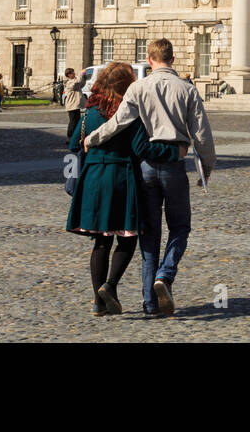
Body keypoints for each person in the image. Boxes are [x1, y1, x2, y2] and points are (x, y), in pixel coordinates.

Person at [84, 38, 215, 318]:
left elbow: (117, 123)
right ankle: (164, 276)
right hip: (174, 166)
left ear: (150, 59)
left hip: (146, 167)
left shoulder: (138, 87)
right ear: (173, 59)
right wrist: (207, 167)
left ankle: (149, 303)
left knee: (149, 234)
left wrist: (92, 138)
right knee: (180, 227)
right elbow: (202, 135)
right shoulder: (187, 90)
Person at [68, 62, 185, 316]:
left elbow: (74, 144)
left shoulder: (88, 114)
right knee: (127, 238)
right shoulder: (128, 114)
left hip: (93, 178)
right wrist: (175, 151)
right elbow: (144, 149)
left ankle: (99, 303)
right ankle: (109, 286)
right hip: (121, 178)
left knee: (100, 241)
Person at [62, 67, 83, 139]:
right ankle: (69, 137)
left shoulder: (74, 80)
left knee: (77, 121)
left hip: (76, 104)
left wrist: (84, 77)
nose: (74, 73)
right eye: (72, 72)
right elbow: (77, 83)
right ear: (69, 75)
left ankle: (75, 136)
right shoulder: (69, 82)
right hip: (71, 105)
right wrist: (81, 74)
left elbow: (81, 84)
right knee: (73, 122)